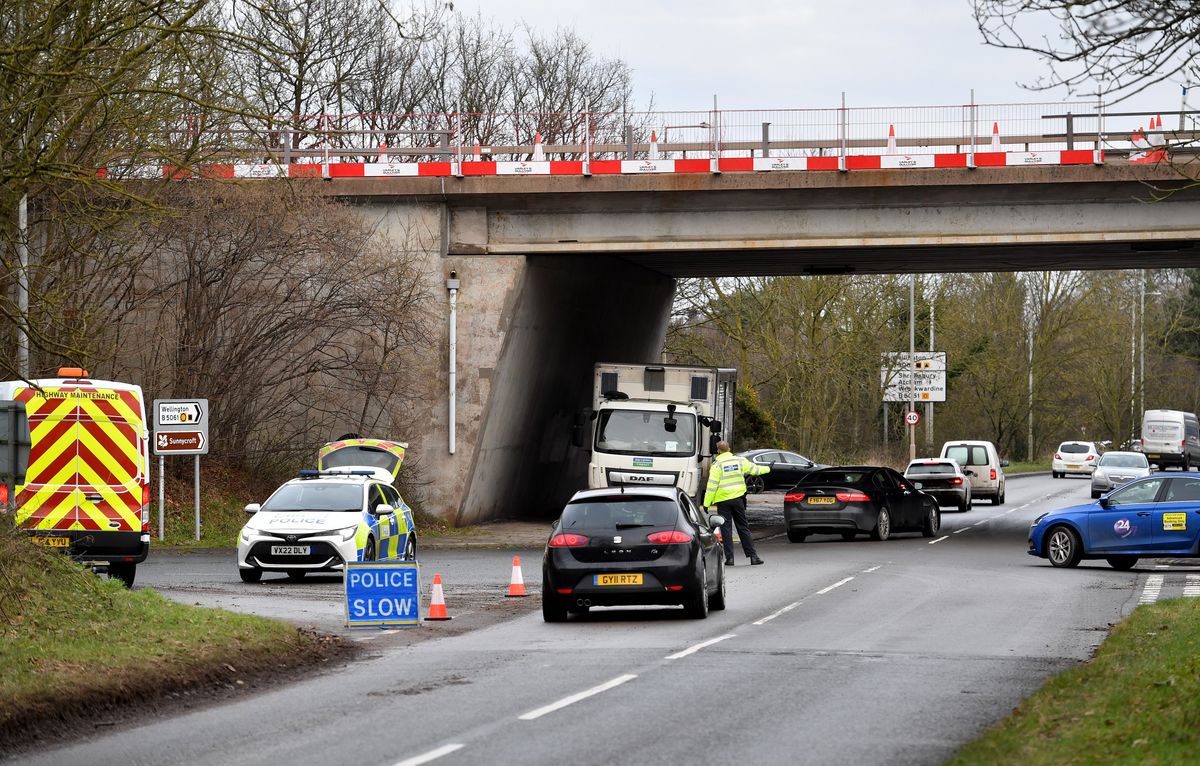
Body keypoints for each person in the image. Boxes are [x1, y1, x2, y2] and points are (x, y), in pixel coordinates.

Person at [703, 441, 769, 566]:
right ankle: (753, 557)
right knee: (743, 527)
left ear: (718, 451)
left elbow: (712, 486)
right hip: (738, 499)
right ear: (729, 449)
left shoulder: (717, 465)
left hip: (723, 501)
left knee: (726, 529)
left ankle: (730, 559)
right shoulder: (739, 461)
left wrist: (706, 503)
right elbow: (755, 469)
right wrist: (768, 468)